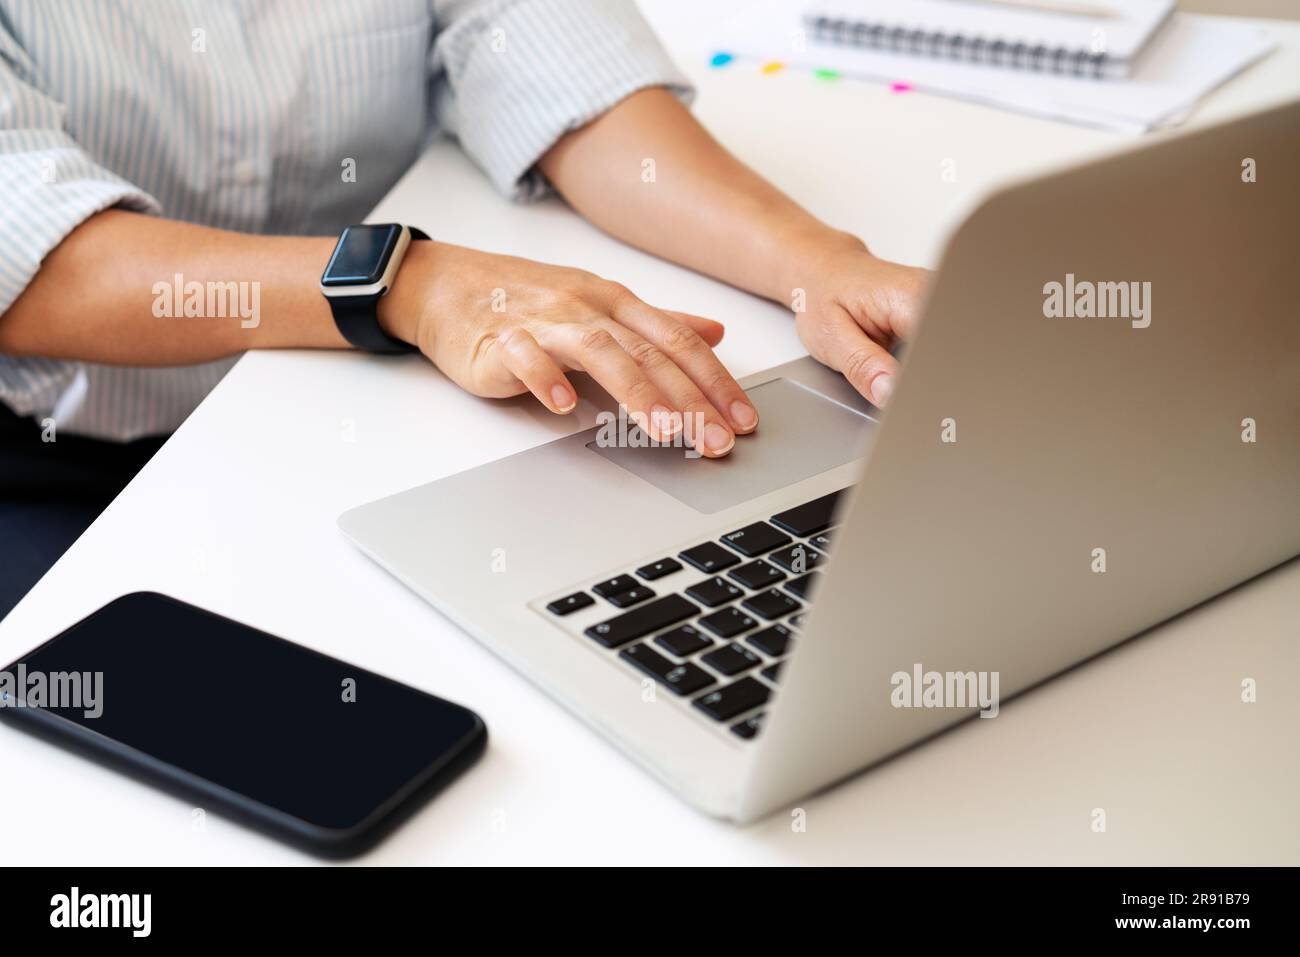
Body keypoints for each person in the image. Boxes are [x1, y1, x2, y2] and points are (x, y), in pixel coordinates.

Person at [0, 0, 927, 616]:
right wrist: (411, 283)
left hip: (366, 408)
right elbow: (37, 259)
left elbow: (571, 77)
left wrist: (817, 265)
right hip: (66, 465)